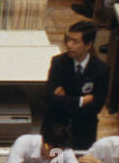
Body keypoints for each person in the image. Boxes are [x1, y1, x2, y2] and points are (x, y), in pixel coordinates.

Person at [44, 20, 109, 149]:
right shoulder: (58, 63)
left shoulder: (101, 69)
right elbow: (50, 98)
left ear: (88, 44)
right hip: (56, 130)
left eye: (75, 41)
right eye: (68, 40)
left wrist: (64, 100)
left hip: (83, 133)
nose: (69, 45)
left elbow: (96, 106)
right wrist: (81, 101)